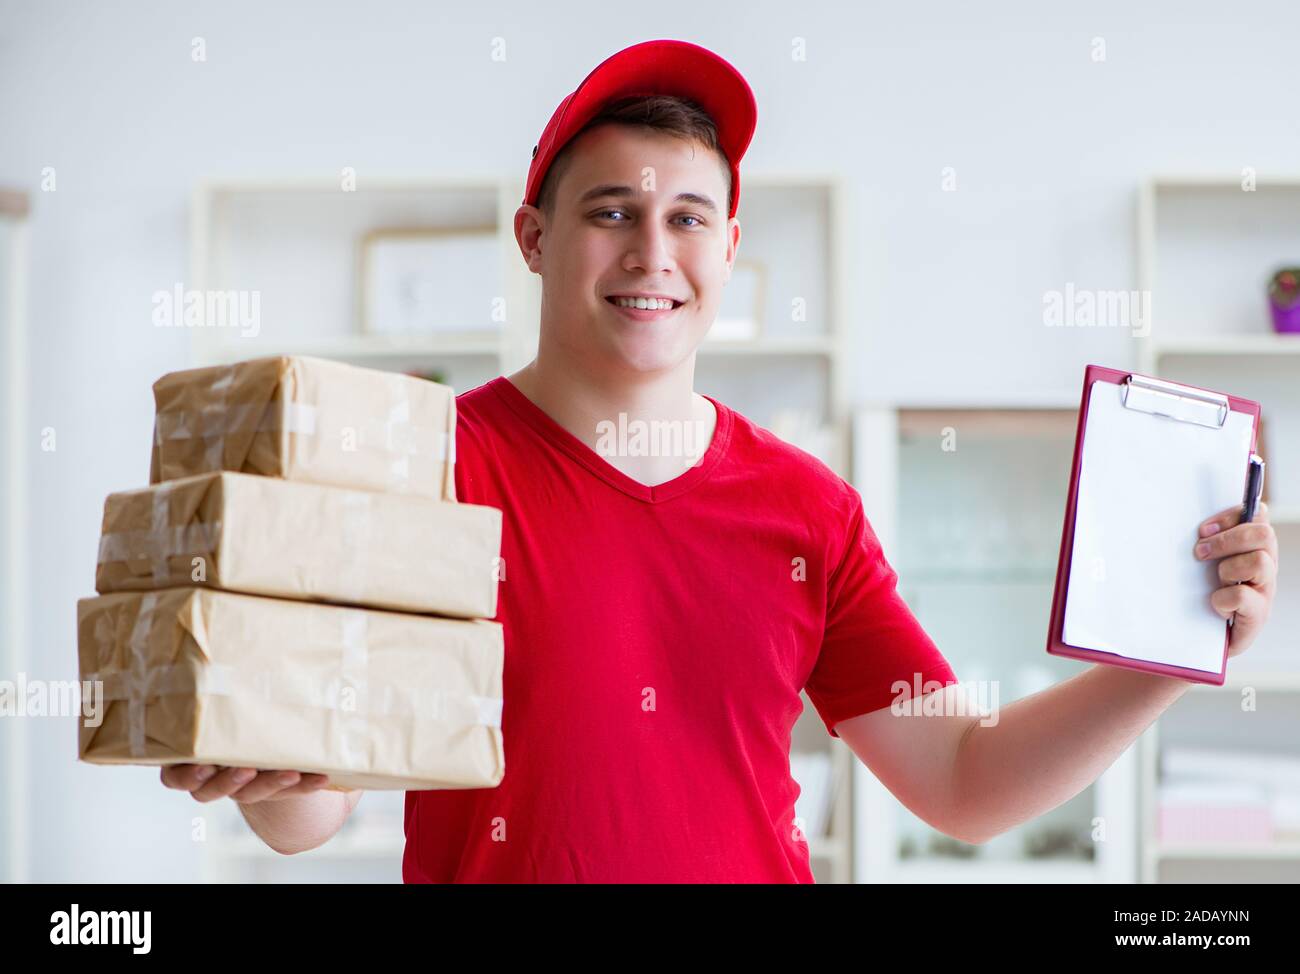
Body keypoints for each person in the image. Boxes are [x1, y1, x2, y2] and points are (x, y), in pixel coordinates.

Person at [162, 38, 1280, 882]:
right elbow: (321, 796)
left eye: (690, 218)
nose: (653, 253)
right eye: (611, 211)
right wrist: (270, 775)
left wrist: (1169, 655)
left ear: (731, 251)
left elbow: (965, 779)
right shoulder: (425, 467)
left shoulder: (808, 510)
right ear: (535, 238)